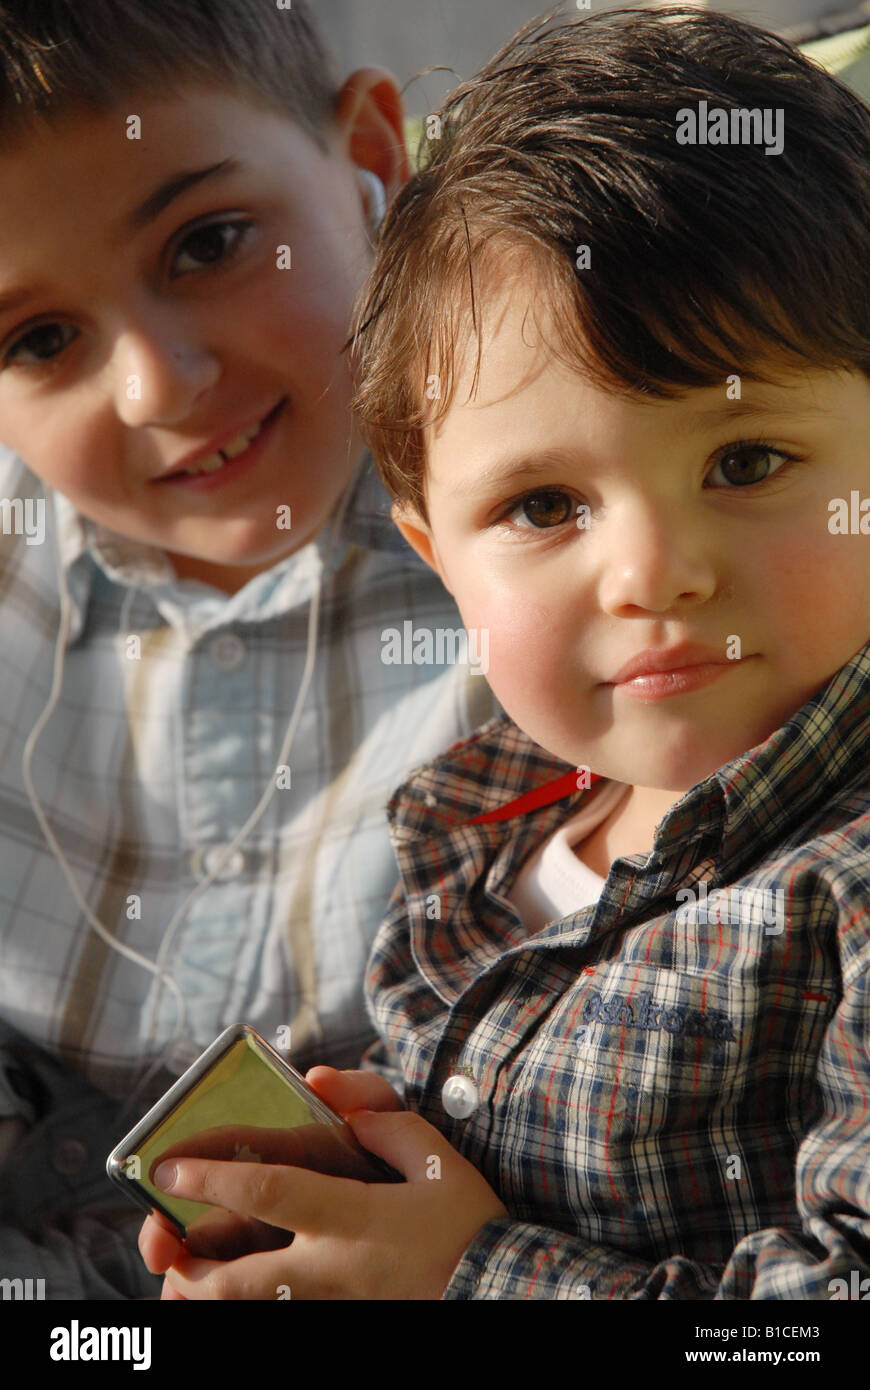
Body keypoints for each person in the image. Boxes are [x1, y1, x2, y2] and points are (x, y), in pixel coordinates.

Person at [140, 7, 870, 1300]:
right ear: (437, 552)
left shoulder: (840, 886)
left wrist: (468, 1274)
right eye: (542, 508)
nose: (652, 573)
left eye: (743, 461)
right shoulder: (476, 824)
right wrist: (345, 1212)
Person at [0, 0, 498, 1299]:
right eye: (38, 339)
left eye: (210, 243)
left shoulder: (564, 568)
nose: (157, 386)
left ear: (372, 160)